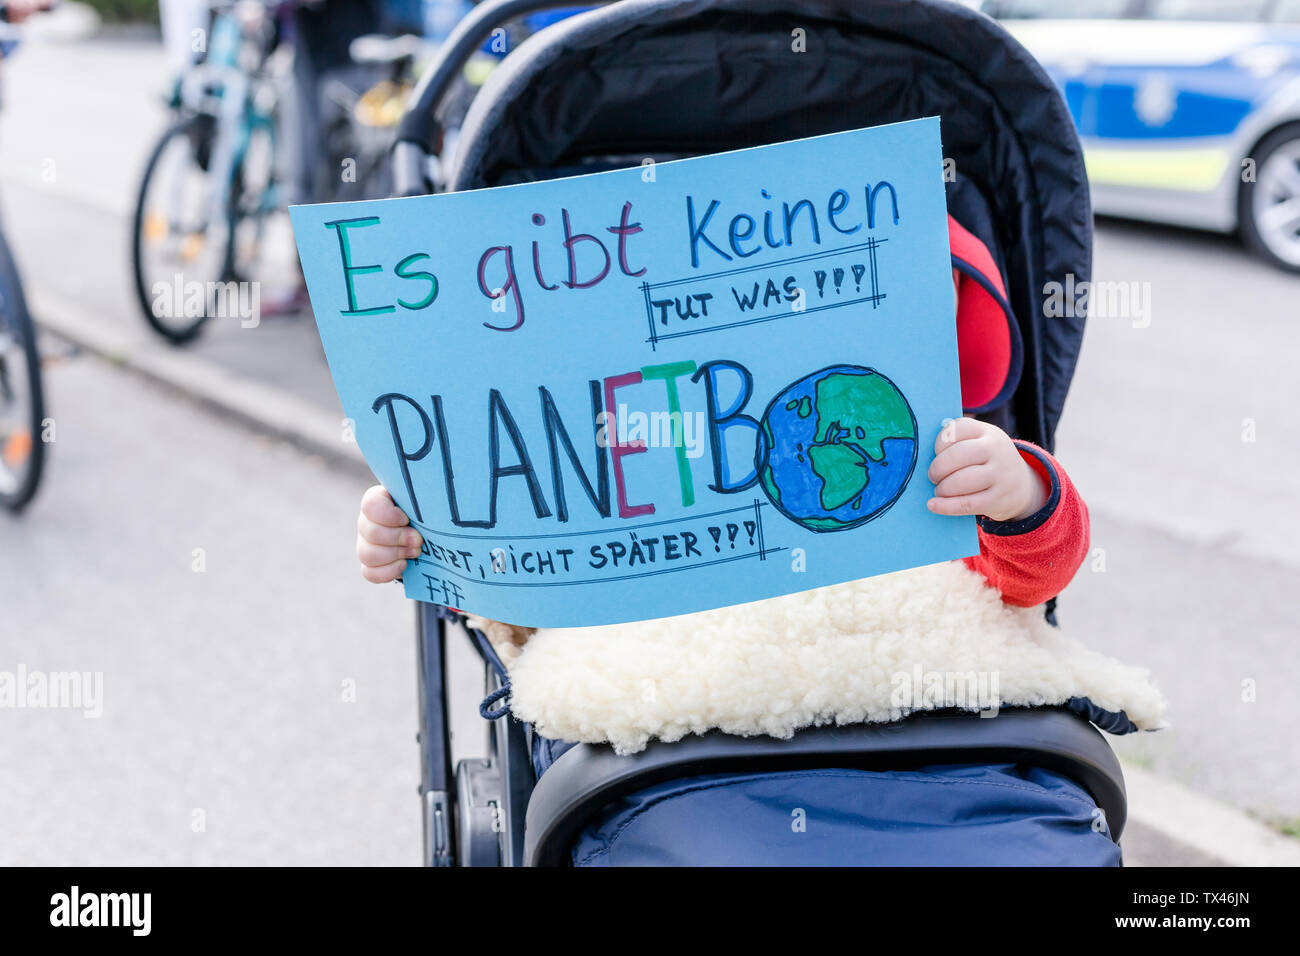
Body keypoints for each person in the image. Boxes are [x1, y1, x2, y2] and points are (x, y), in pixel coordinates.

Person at [351, 213, 1120, 866]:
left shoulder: (940, 465)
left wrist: (1020, 494)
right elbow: (524, 595)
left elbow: (1037, 574)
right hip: (684, 767)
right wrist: (431, 532)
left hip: (959, 756)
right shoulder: (628, 460)